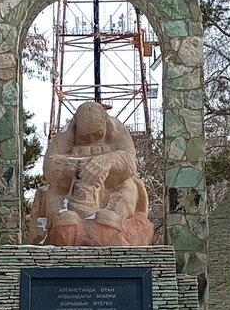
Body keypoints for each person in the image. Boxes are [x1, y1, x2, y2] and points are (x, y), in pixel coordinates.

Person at [30, 101, 154, 247]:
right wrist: (72, 167)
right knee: (53, 191)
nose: (91, 141)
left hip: (112, 186)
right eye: (85, 136)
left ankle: (115, 214)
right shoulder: (67, 133)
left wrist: (107, 160)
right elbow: (49, 165)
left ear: (105, 122)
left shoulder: (117, 129)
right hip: (71, 188)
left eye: (97, 135)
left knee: (129, 186)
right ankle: (61, 215)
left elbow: (130, 162)